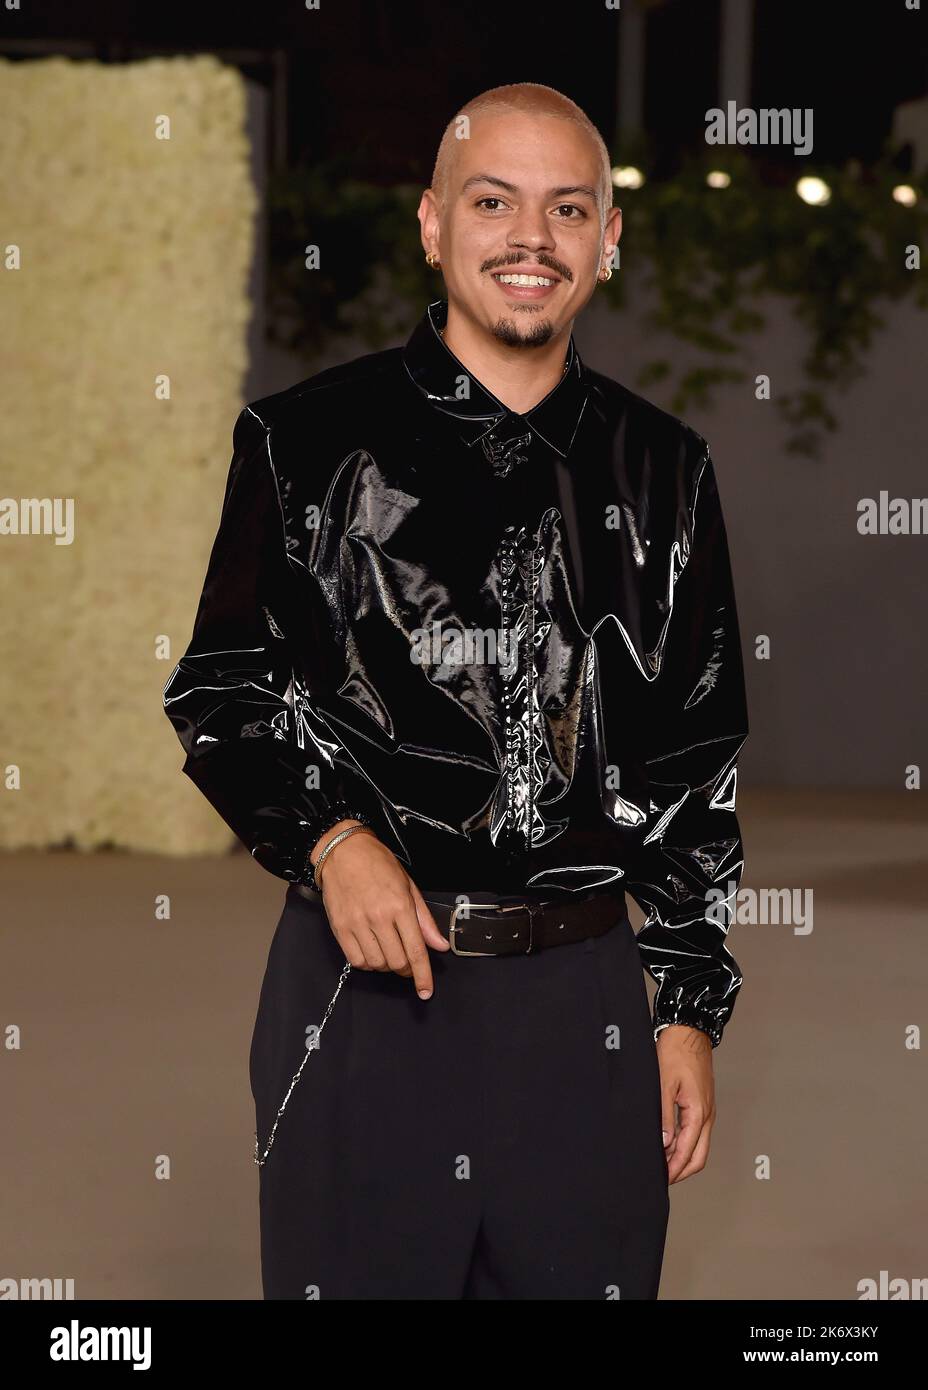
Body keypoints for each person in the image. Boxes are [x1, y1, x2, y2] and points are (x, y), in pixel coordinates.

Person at [163, 82, 750, 1301]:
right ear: (434, 224)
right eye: (494, 202)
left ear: (606, 241)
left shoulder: (666, 472)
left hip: (586, 1008)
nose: (530, 238)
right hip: (369, 995)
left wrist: (685, 1005)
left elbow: (694, 761)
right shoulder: (305, 444)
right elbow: (222, 694)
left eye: (566, 208)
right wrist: (330, 841)